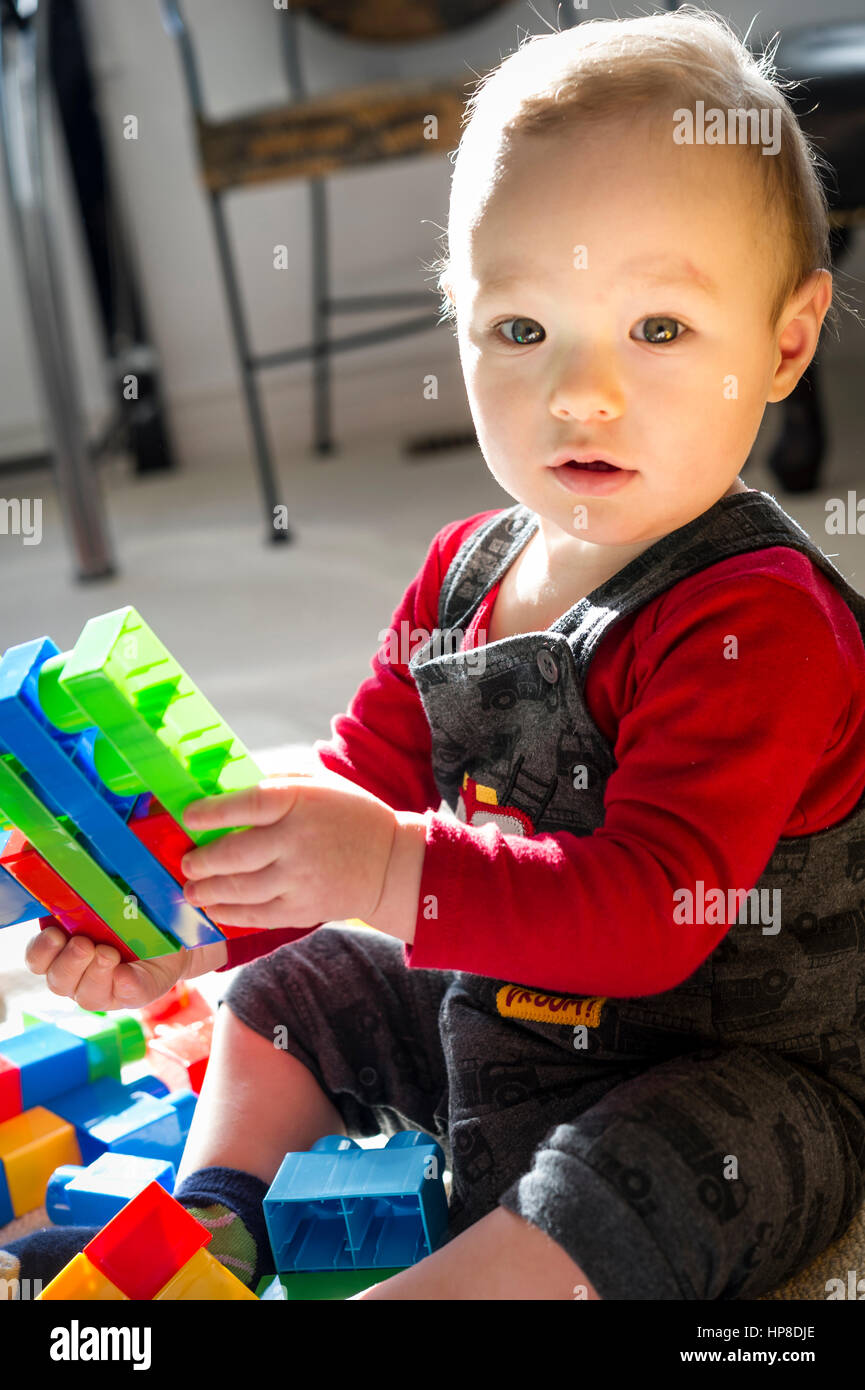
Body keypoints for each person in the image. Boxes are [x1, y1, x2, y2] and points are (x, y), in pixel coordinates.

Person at [5, 6, 865, 1301]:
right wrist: (187, 926)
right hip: (511, 1009)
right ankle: (217, 1206)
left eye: (658, 329)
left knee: (651, 1173)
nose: (580, 392)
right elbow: (348, 808)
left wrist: (387, 863)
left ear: (784, 340)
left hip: (727, 1060)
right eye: (521, 330)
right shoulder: (458, 572)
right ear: (457, 317)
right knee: (304, 976)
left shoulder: (760, 619)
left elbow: (649, 918)